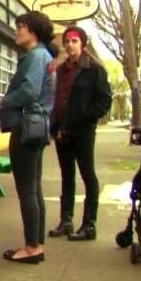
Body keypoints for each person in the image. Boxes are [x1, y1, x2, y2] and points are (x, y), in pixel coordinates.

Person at [0, 11, 56, 264]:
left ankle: (31, 247)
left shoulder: (35, 56)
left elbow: (30, 90)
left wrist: (4, 101)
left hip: (25, 126)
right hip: (38, 126)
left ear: (32, 30)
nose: (16, 31)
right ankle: (36, 244)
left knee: (27, 191)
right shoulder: (45, 55)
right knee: (35, 189)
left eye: (20, 26)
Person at [46, 26, 113, 242]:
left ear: (82, 44)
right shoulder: (60, 70)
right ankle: (66, 221)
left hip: (82, 132)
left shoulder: (94, 70)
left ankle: (89, 224)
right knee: (67, 177)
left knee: (88, 176)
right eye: (67, 41)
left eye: (74, 41)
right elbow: (55, 98)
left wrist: (87, 116)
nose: (70, 45)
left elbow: (104, 100)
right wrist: (54, 125)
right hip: (62, 132)